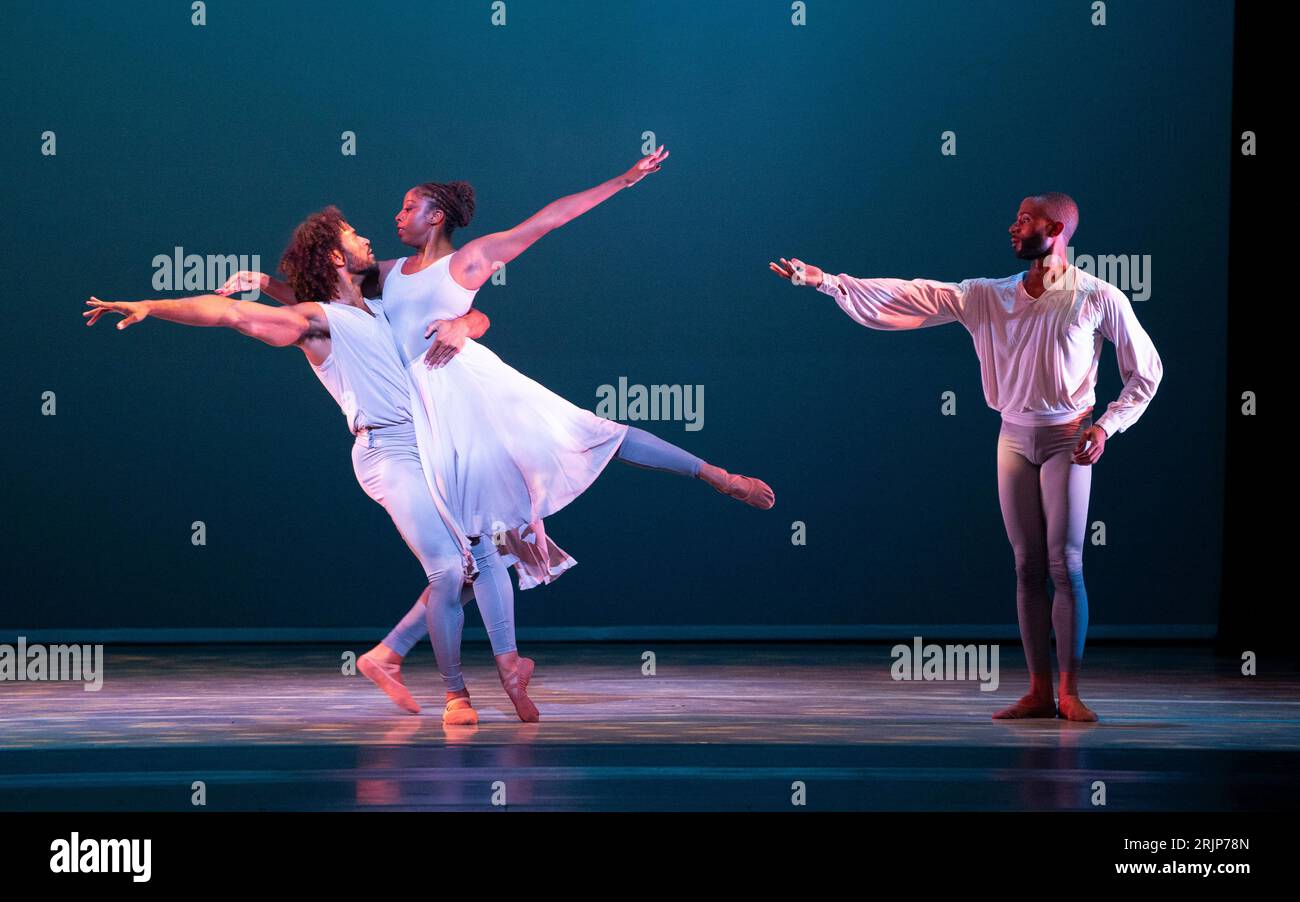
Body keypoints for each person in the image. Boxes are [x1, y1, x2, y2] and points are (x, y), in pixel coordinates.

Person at [237, 148, 777, 722]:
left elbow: (548, 220)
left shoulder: (470, 260)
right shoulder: (385, 274)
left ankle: (716, 475)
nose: (397, 217)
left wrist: (622, 179)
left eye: (408, 206)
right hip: (426, 416)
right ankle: (467, 663)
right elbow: (328, 303)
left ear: (437, 214)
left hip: (472, 390)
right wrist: (267, 285)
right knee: (483, 547)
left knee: (591, 435)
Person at [85, 209, 498, 725]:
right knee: (445, 568)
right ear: (333, 255)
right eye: (353, 234)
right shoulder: (317, 319)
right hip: (388, 451)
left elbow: (473, 315)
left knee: (477, 565)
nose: (367, 235)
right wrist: (152, 304)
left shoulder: (377, 307)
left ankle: (386, 655)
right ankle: (455, 695)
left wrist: (464, 323)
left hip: (432, 445)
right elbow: (230, 314)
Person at [770, 193, 1163, 722]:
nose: (1012, 227)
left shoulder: (1096, 296)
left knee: (1065, 563)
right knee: (1026, 566)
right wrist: (830, 282)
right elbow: (918, 295)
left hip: (1068, 437)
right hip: (1013, 438)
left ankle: (1070, 691)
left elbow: (1146, 372)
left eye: (1023, 220)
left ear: (1054, 228)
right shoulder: (987, 296)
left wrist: (1107, 426)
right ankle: (1039, 690)